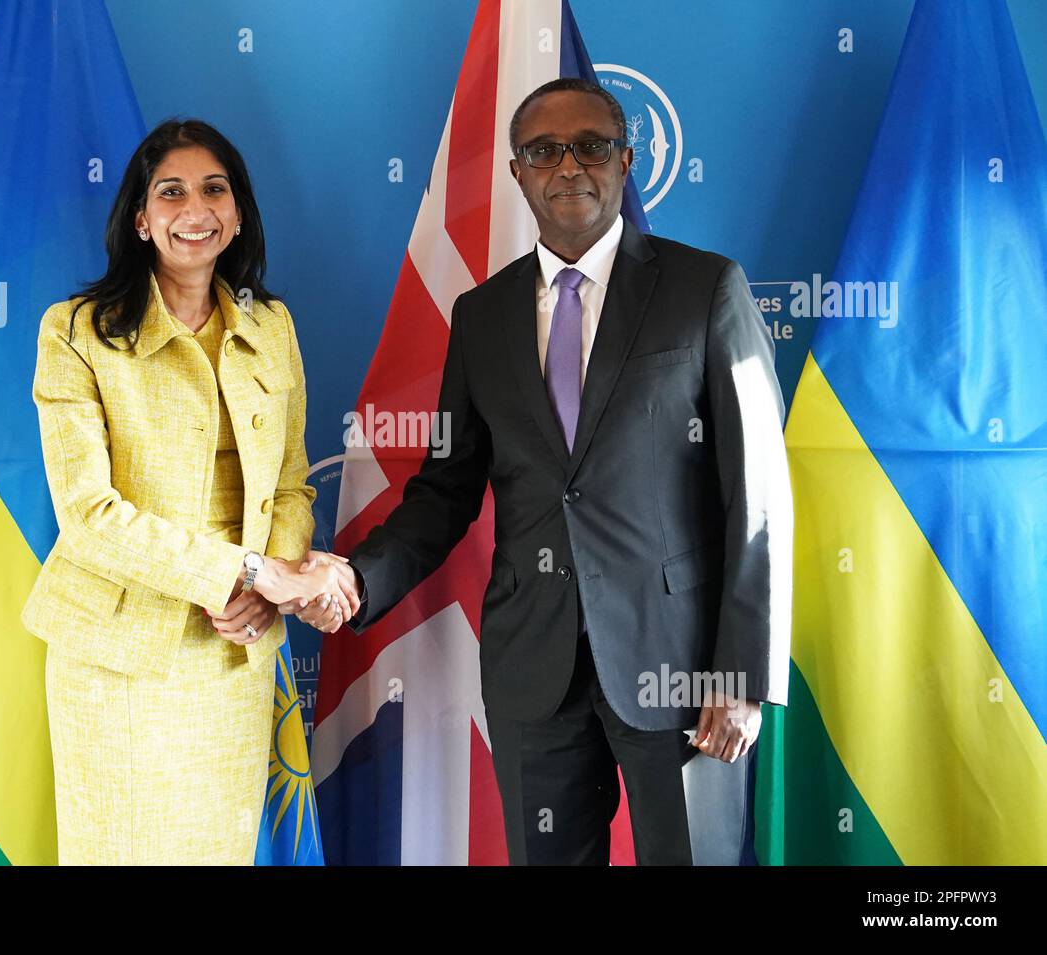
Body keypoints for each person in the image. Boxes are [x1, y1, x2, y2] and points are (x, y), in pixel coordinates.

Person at [292, 79, 792, 865]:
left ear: (626, 162)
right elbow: (446, 490)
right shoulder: (481, 316)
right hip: (534, 670)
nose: (569, 164)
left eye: (591, 145)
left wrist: (741, 670)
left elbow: (757, 497)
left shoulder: (705, 289)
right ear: (517, 172)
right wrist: (357, 578)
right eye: (544, 150)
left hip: (683, 669)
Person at [21, 119, 355, 865]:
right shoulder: (76, 332)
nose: (194, 208)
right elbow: (88, 518)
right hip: (116, 655)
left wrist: (272, 585)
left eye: (215, 189)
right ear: (140, 218)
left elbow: (294, 483)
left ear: (238, 214)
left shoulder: (273, 327)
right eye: (170, 192)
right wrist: (245, 572)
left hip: (231, 648)